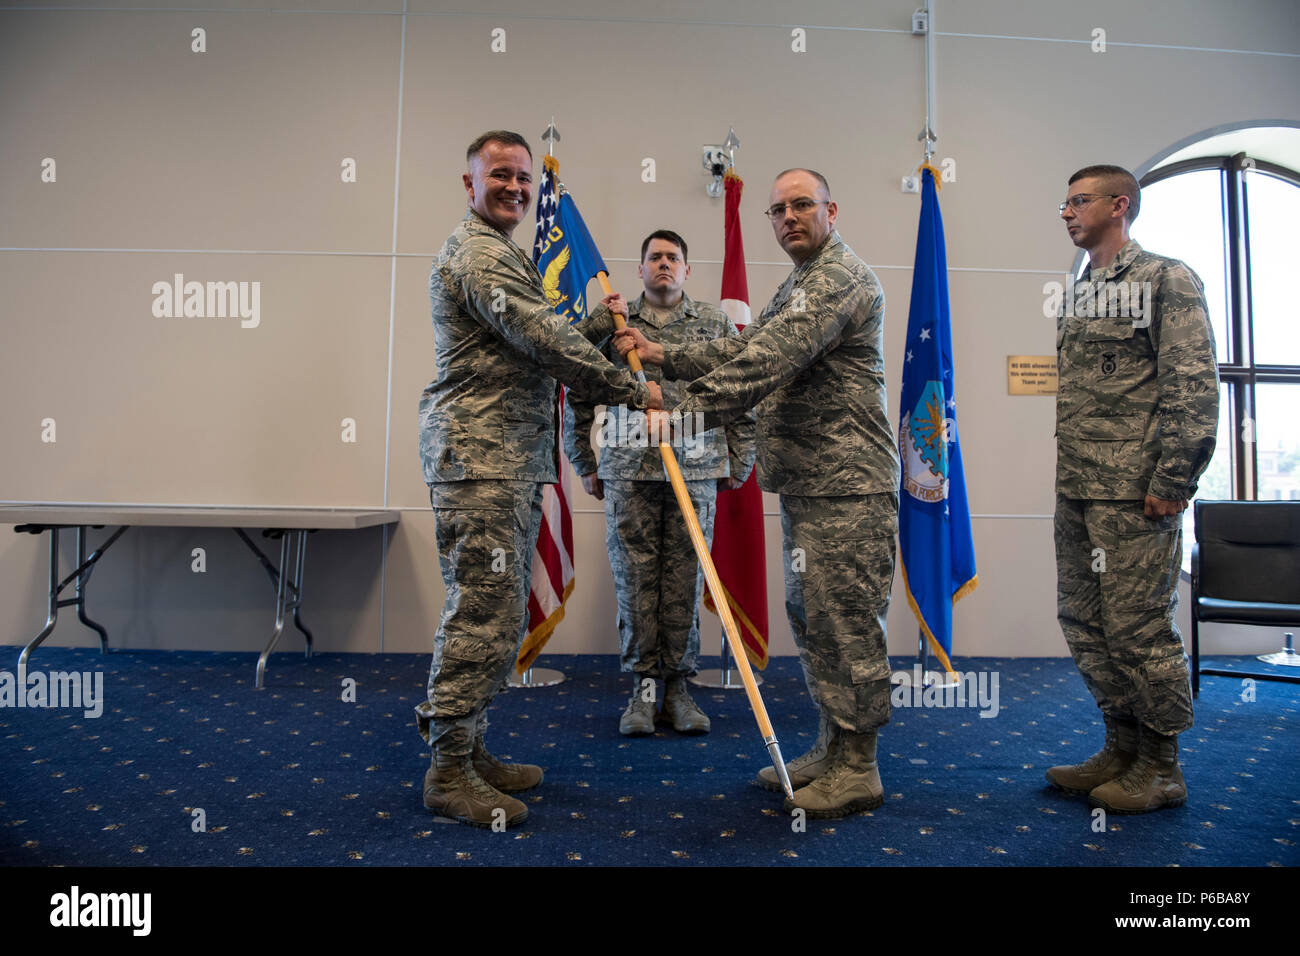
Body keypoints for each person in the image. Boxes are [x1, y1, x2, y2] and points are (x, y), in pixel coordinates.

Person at [614, 169, 900, 818]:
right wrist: (665, 354)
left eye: (802, 205)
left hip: (848, 484)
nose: (789, 217)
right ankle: (832, 748)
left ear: (833, 209)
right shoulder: (800, 282)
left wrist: (671, 400)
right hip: (812, 480)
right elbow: (744, 347)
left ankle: (860, 767)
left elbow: (760, 368)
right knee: (816, 619)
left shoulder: (838, 279)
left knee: (847, 624)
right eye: (777, 209)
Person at [415, 130, 662, 828]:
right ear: (469, 184)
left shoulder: (505, 254)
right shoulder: (474, 252)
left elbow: (544, 332)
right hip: (480, 459)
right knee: (482, 614)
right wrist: (627, 387)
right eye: (499, 175)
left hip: (508, 459)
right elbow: (539, 337)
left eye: (523, 178)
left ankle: (469, 747)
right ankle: (448, 770)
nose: (516, 188)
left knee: (497, 615)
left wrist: (601, 324)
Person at [1046, 164, 1219, 814]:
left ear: (1120, 206)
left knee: (1140, 628)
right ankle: (1120, 746)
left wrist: (1175, 479)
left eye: (1079, 201)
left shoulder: (1164, 279)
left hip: (1138, 494)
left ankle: (1161, 764)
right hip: (1080, 490)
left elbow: (1193, 388)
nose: (1067, 212)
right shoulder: (1081, 287)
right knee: (1085, 621)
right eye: (1064, 203)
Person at [564, 229, 756, 737]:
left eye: (674, 257)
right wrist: (584, 460)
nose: (665, 264)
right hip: (630, 470)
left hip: (695, 470)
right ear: (641, 269)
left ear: (688, 270)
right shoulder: (616, 324)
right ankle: (643, 691)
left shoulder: (714, 323)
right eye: (655, 258)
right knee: (635, 582)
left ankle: (679, 689)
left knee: (685, 582)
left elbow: (742, 392)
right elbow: (580, 391)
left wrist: (740, 456)